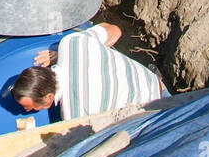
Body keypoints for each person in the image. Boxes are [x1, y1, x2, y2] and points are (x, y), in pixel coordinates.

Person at [11, 22, 168, 121]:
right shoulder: (71, 43)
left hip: (153, 115)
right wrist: (62, 56)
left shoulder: (75, 116)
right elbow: (115, 31)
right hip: (157, 85)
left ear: (49, 97)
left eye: (30, 106)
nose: (26, 111)